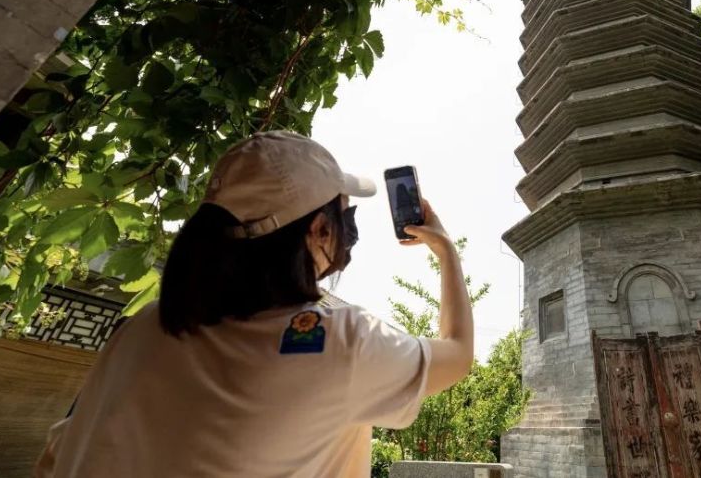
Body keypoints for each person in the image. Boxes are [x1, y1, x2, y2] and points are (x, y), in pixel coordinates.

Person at [35, 131, 474, 477]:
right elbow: (456, 353)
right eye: (344, 215)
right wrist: (446, 251)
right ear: (319, 230)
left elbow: (56, 458)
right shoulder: (339, 342)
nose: (347, 229)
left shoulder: (141, 327)